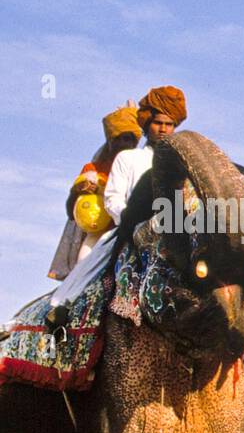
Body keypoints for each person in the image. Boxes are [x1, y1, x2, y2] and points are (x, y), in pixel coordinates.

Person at [48, 86, 188, 317]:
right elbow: (113, 198)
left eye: (169, 124)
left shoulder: (181, 165)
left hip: (170, 231)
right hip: (131, 228)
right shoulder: (129, 159)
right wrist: (133, 222)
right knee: (91, 262)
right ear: (147, 125)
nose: (163, 129)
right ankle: (62, 308)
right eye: (158, 123)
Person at [49, 103, 142, 279]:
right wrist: (76, 192)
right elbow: (71, 213)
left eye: (129, 139)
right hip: (97, 236)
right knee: (82, 270)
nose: (125, 144)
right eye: (120, 138)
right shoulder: (93, 169)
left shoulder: (138, 167)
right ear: (110, 141)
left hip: (129, 232)